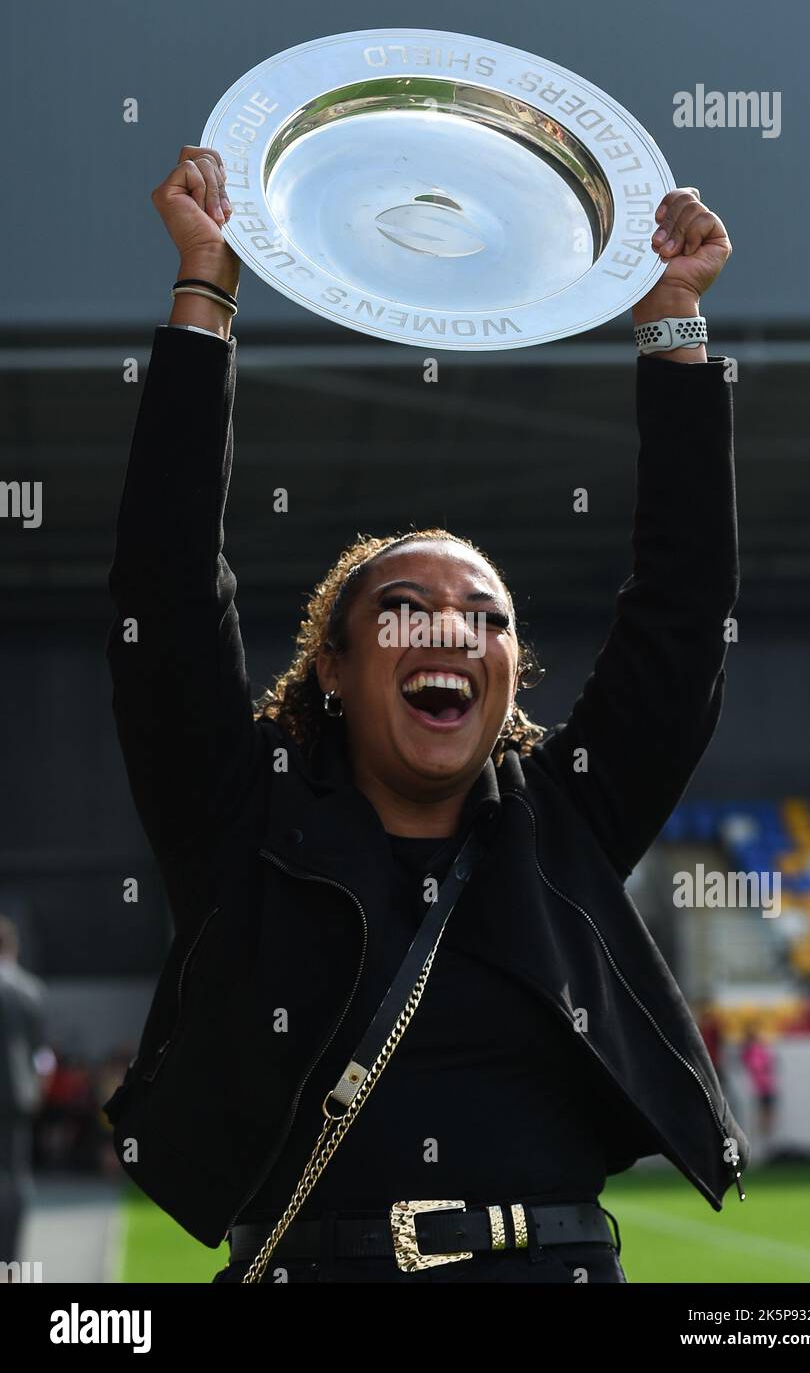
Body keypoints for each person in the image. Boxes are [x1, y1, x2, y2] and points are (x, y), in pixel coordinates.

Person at [102, 145, 750, 1285]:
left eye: (484, 617)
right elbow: (165, 588)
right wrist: (205, 284)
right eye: (402, 609)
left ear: (507, 674)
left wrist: (671, 321)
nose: (450, 632)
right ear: (336, 669)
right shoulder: (242, 818)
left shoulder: (565, 819)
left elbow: (683, 614)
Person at [0, 916, 49, 1275]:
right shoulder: (30, 990)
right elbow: (41, 1055)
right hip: (16, 1096)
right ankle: (10, 1265)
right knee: (16, 1179)